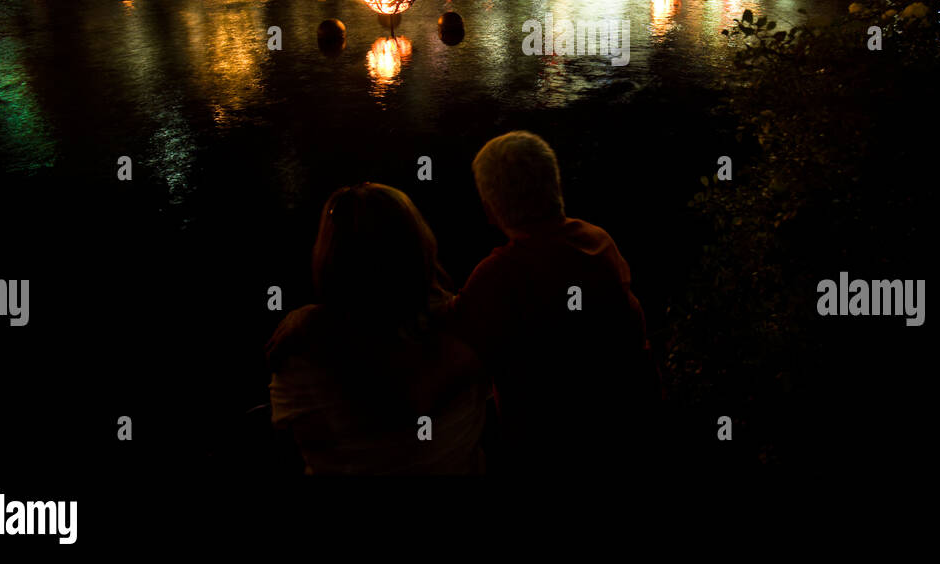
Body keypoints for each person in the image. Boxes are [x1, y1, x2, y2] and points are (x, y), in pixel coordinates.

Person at [450, 131, 658, 473]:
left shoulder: (501, 274)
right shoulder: (599, 242)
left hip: (545, 452)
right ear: (556, 187)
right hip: (628, 436)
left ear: (489, 210)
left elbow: (450, 337)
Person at [266, 183, 489, 474]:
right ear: (420, 244)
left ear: (327, 255)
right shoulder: (462, 326)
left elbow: (310, 446)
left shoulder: (299, 354)